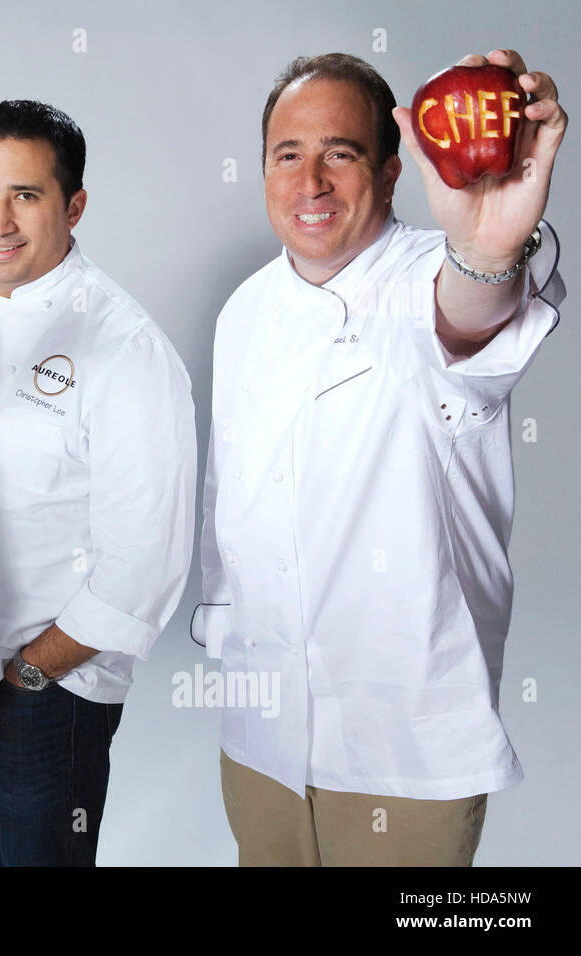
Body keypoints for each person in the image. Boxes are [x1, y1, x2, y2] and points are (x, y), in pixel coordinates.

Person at [197, 50, 567, 866]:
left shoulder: (431, 276)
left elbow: (469, 316)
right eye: (287, 155)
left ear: (392, 171)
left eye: (342, 153)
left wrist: (488, 249)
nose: (311, 182)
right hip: (261, 742)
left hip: (404, 753)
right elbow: (229, 491)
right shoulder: (245, 311)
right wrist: (227, 639)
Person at [0, 100, 197, 866]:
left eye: (27, 195)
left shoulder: (126, 348)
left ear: (74, 205)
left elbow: (142, 561)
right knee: (6, 840)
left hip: (53, 686)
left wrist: (29, 672)